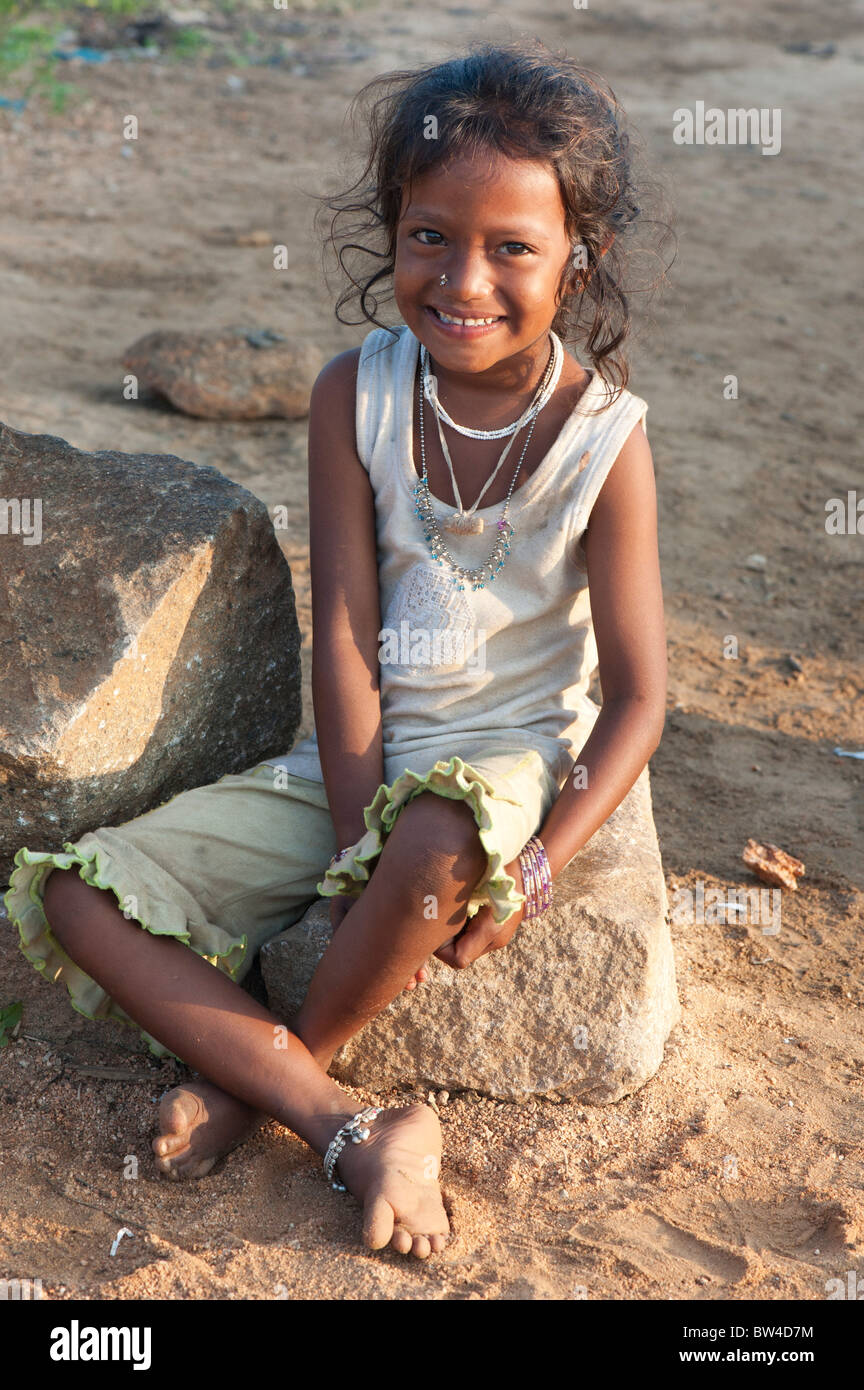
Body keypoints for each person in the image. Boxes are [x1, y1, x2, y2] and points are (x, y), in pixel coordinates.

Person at [4, 38, 668, 1261]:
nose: (465, 279)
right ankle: (343, 1119)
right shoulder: (353, 393)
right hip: (355, 761)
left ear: (583, 256)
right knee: (69, 892)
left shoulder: (603, 439)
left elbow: (637, 698)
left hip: (499, 772)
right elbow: (348, 626)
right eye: (430, 236)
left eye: (512, 247)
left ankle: (265, 1081)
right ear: (392, 226)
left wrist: (538, 865)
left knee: (433, 836)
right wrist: (354, 815)